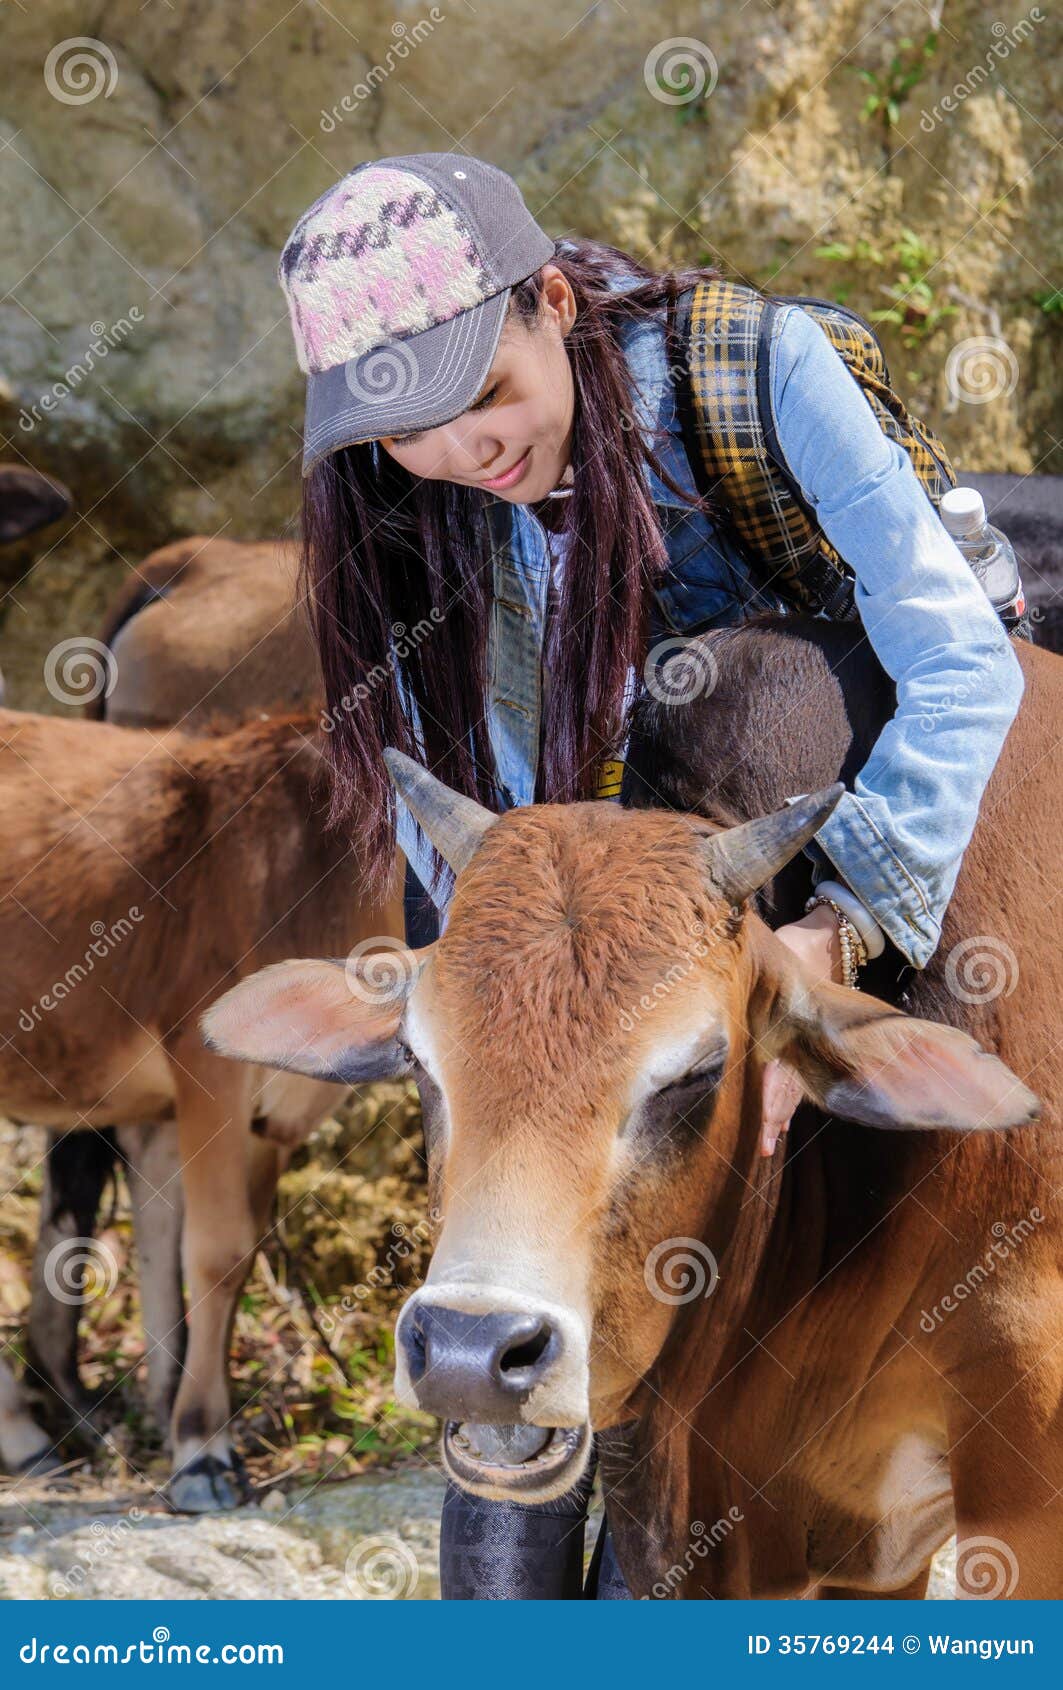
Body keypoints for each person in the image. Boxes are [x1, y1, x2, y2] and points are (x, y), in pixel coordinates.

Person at [277, 152, 1025, 1598]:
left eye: (484, 394)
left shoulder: (756, 372)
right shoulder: (438, 508)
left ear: (552, 301)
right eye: (408, 432)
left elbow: (959, 654)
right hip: (642, 906)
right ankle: (520, 1575)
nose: (461, 450)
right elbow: (521, 800)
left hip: (889, 815)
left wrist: (848, 917)